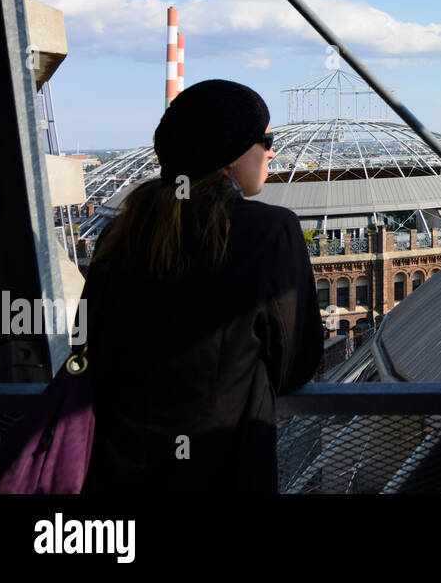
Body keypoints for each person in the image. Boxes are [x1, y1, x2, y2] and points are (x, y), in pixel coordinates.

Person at [81, 79, 323, 493]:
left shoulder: (121, 231)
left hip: (113, 474)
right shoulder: (270, 233)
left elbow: (86, 343)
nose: (272, 151)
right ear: (230, 154)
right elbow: (296, 365)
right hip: (222, 473)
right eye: (266, 139)